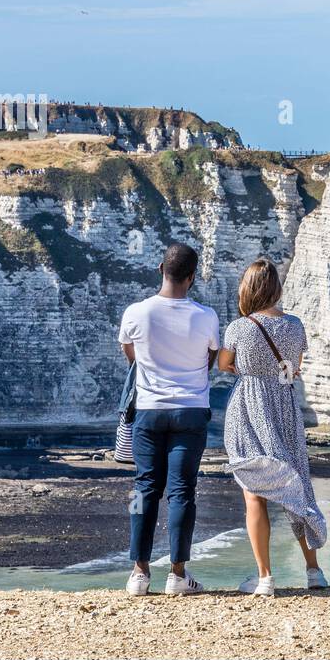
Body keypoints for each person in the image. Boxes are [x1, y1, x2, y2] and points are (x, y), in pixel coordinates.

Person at [218, 258, 327, 597]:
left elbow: (223, 364)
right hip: (284, 407)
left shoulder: (239, 327)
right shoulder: (295, 325)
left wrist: (247, 371)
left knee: (254, 491)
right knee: (295, 484)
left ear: (247, 290)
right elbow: (295, 367)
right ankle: (314, 571)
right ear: (276, 289)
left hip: (249, 408)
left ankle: (265, 578)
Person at [118, 242, 219, 596]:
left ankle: (139, 573)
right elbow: (208, 361)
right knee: (182, 491)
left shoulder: (136, 312)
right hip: (191, 412)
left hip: (148, 411)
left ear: (161, 269)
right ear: (192, 277)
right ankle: (177, 574)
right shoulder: (206, 316)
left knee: (144, 489)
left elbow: (131, 356)